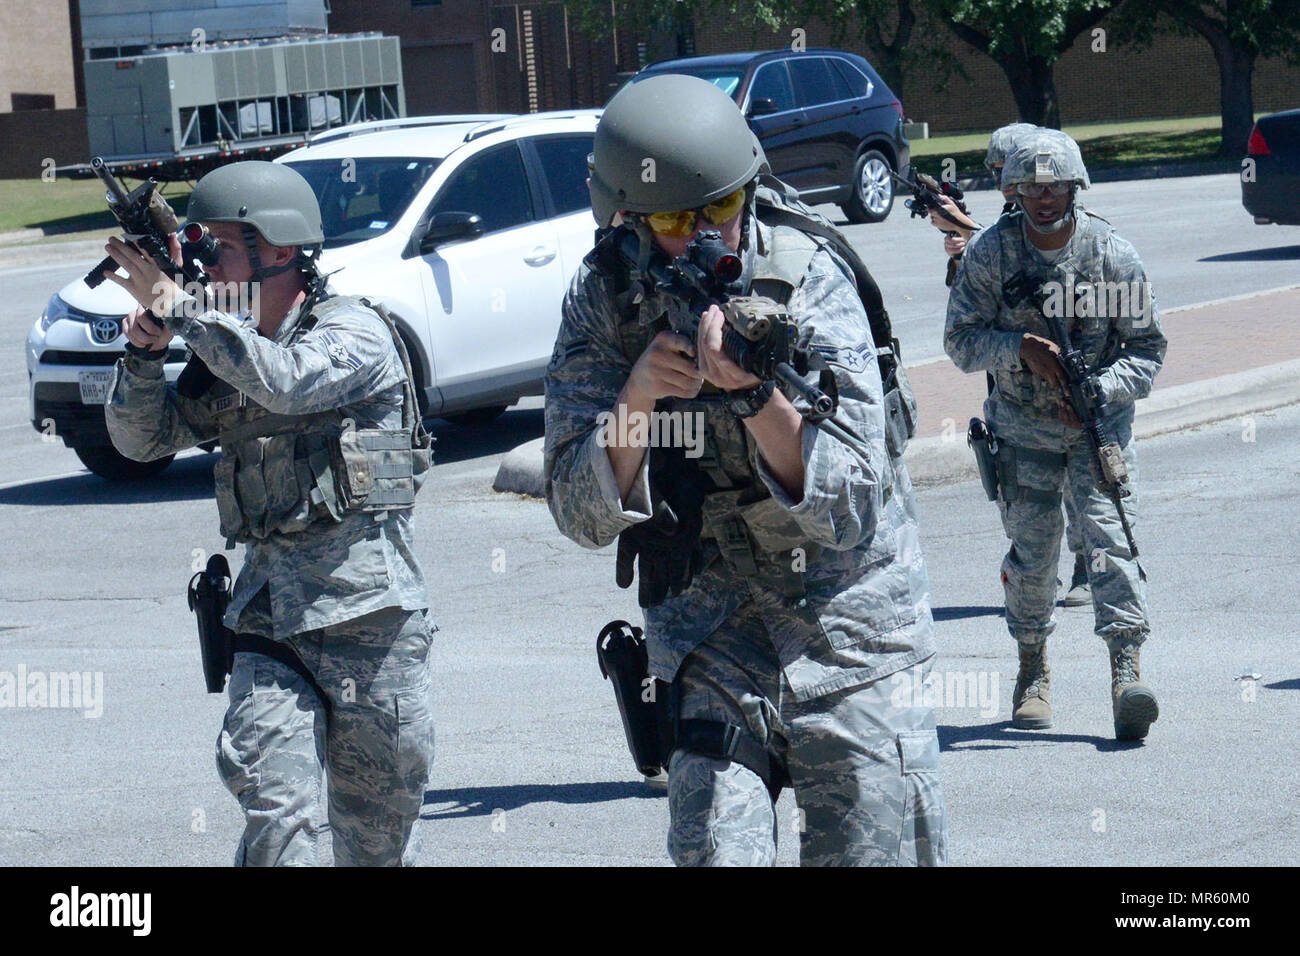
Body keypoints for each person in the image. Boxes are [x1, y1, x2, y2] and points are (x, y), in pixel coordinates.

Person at [545, 74, 946, 865]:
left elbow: (857, 500)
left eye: (721, 209)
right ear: (623, 220)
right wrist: (639, 397)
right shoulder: (605, 300)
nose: (706, 237)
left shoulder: (808, 275)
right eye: (671, 219)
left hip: (848, 623)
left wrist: (759, 397)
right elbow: (578, 510)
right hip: (712, 629)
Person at [102, 160, 436, 865]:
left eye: (218, 248)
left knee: (375, 845)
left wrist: (187, 310)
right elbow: (141, 442)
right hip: (268, 625)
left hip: (370, 623)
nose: (204, 266)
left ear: (279, 250)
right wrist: (143, 354)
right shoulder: (224, 349)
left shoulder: (356, 334)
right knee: (278, 820)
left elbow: (287, 382)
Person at [944, 129, 1166, 740]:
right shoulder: (991, 254)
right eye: (1033, 187)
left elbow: (1147, 350)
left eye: (1056, 187)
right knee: (1035, 558)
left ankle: (1127, 672)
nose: (1044, 198)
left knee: (1111, 546)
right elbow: (960, 343)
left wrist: (1101, 388)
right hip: (1022, 433)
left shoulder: (1111, 254)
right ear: (1014, 190)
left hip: (1097, 431)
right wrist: (1018, 349)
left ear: (1075, 188)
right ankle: (1032, 668)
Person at [931, 124, 1093, 608]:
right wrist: (960, 252)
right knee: (1019, 489)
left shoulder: (1058, 222)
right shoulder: (1000, 229)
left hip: (1063, 371)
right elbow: (969, 315)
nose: (1006, 181)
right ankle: (1037, 576)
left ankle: (1087, 565)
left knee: (1077, 483)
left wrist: (963, 228)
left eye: (1004, 170)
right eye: (1003, 173)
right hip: (1010, 375)